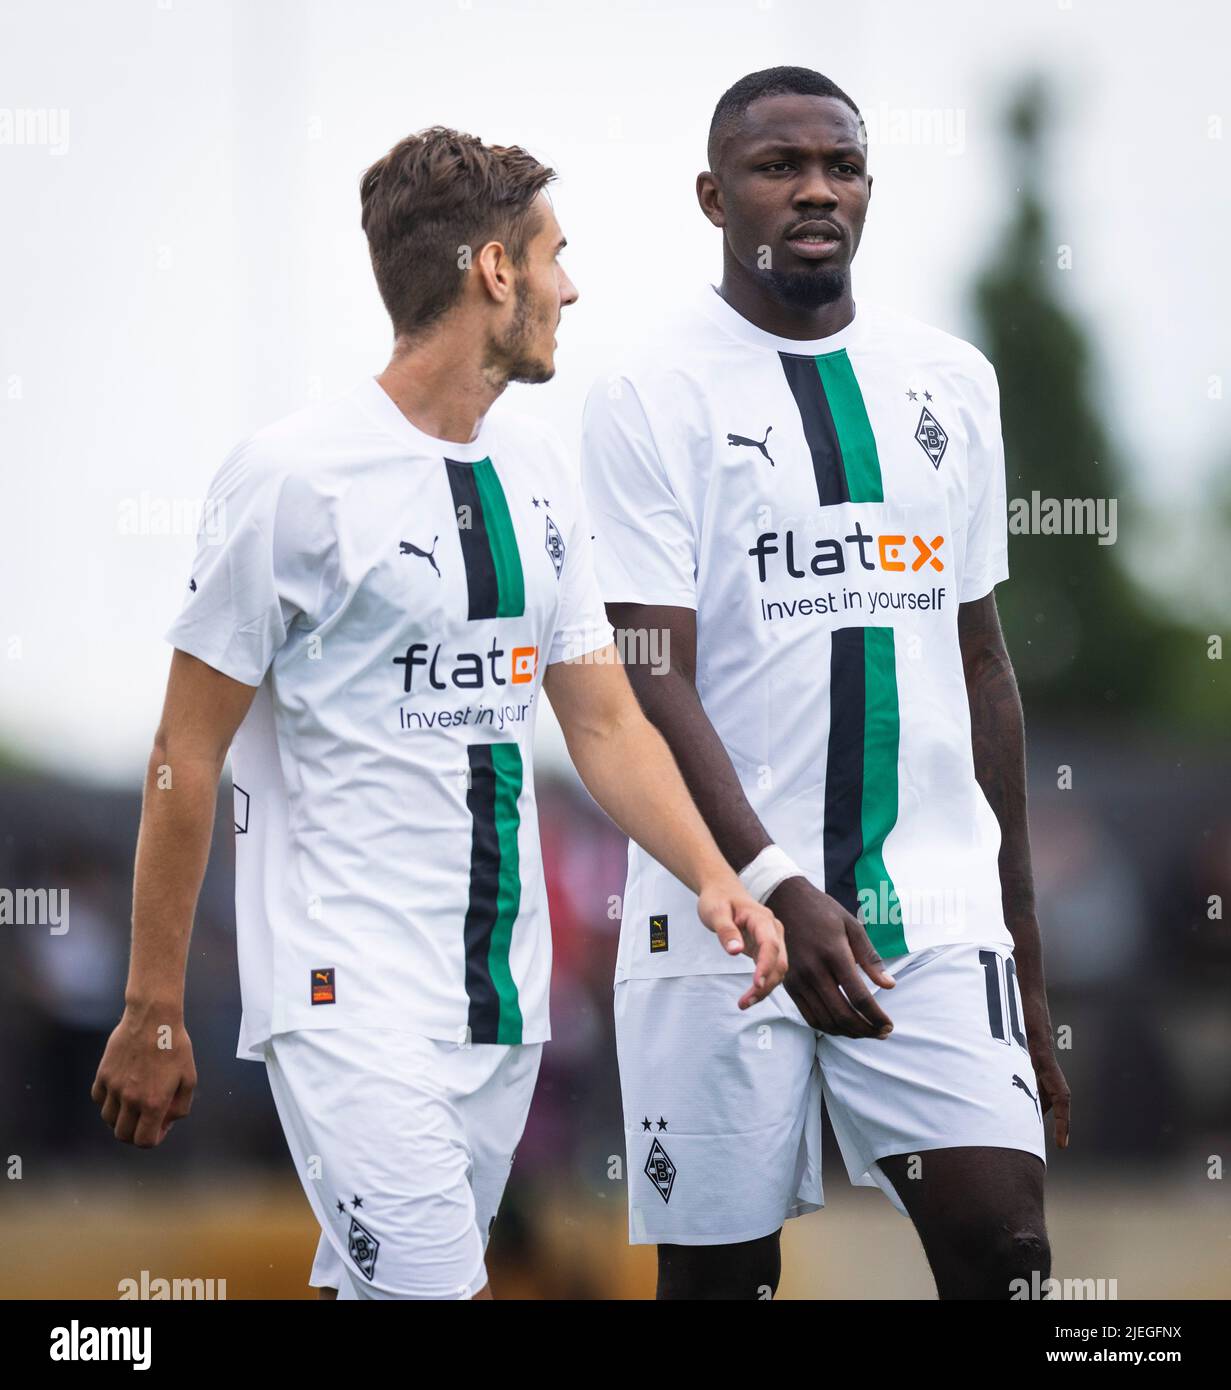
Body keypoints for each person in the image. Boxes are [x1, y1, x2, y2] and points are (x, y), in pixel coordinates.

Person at [92, 126, 786, 1301]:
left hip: (501, 1009)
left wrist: (719, 878)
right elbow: (184, 751)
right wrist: (153, 1003)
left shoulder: (537, 475)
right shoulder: (290, 479)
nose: (573, 285)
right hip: (346, 999)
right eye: (556, 255)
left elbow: (606, 723)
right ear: (493, 272)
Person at [581, 67, 1071, 1300]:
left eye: (840, 166)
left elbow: (982, 664)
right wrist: (768, 882)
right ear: (712, 195)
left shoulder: (950, 381)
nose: (814, 190)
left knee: (1006, 1248)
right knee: (722, 1281)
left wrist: (1027, 949)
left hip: (934, 918)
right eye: (775, 166)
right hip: (722, 923)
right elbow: (650, 671)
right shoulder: (649, 393)